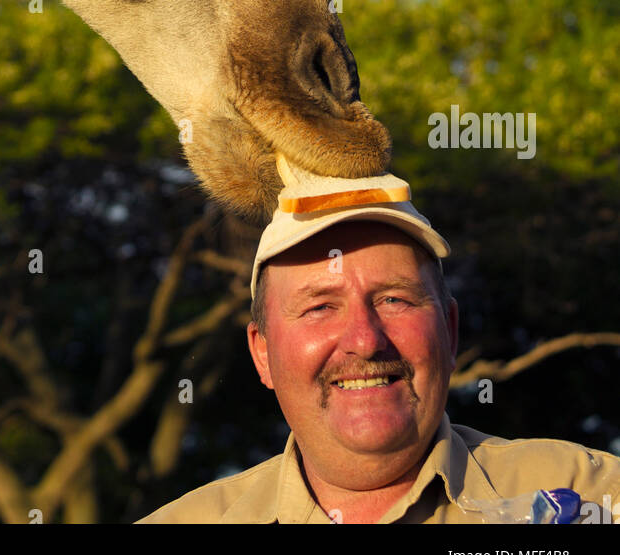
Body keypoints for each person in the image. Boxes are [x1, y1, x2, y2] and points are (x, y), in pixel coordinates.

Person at [136, 172, 620, 524]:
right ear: (262, 354)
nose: (365, 341)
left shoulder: (594, 496)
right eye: (320, 307)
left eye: (395, 299)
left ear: (450, 333)